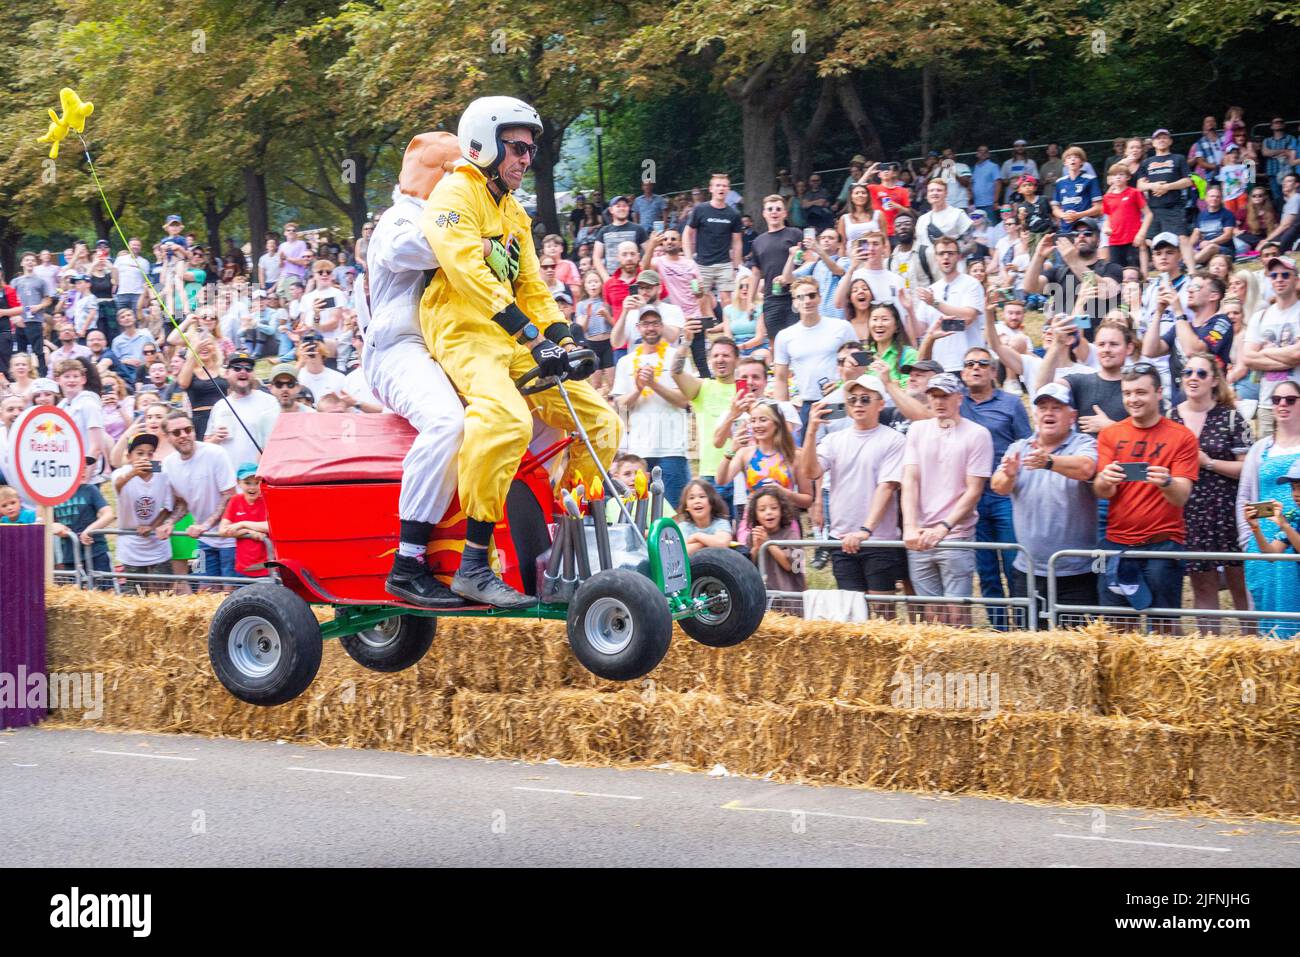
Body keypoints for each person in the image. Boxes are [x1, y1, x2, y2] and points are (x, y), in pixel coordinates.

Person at [420, 96, 619, 607]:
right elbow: (469, 272)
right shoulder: (453, 196)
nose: (526, 159)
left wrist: (566, 339)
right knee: (505, 421)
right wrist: (532, 336)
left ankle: (563, 542)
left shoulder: (513, 212)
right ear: (483, 143)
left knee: (602, 422)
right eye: (517, 148)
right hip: (462, 330)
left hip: (512, 336)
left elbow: (531, 284)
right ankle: (472, 565)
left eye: (531, 151)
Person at [1092, 363, 1199, 632]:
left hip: (1162, 544)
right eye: (1127, 393)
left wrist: (1166, 481)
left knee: (1163, 627)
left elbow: (1181, 496)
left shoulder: (1182, 436)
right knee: (1115, 627)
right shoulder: (1110, 434)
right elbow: (1101, 490)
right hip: (1116, 542)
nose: (1133, 399)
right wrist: (1106, 479)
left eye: (1141, 392)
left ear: (1159, 393)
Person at [991, 383, 1099, 627]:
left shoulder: (1084, 443)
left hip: (1077, 571)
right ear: (1035, 414)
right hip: (1027, 570)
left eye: (1056, 408)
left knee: (1076, 650)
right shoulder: (1019, 447)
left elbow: (1086, 468)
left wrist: (1048, 461)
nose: (1048, 413)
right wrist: (1008, 475)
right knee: (1028, 649)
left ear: (1072, 416)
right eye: (1043, 408)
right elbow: (997, 485)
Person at [801, 374, 908, 616]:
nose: (858, 404)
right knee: (851, 615)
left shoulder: (894, 440)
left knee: (882, 613)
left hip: (878, 540)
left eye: (865, 399)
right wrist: (811, 431)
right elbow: (811, 470)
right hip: (841, 539)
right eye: (852, 399)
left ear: (880, 404)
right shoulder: (833, 439)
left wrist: (865, 530)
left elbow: (887, 486)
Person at [1167, 353, 1253, 631]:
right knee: (1203, 587)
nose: (1193, 377)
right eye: (1188, 372)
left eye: (1201, 373)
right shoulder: (1171, 417)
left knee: (1241, 585)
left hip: (1227, 511)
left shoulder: (1231, 418)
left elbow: (1248, 469)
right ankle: (1210, 652)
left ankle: (1253, 647)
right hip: (1189, 512)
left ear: (1214, 380)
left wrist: (1209, 463)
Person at [900, 373, 993, 625]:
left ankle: (960, 665)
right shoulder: (917, 430)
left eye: (944, 396)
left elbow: (974, 489)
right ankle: (931, 665)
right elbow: (910, 479)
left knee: (957, 613)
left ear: (959, 398)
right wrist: (909, 526)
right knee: (929, 614)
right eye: (933, 396)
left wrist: (945, 526)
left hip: (956, 533)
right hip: (920, 533)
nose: (939, 402)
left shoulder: (977, 434)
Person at [959, 345, 1031, 629]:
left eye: (982, 363)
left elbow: (1026, 444)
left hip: (1005, 496)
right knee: (986, 571)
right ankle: (1000, 631)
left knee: (1014, 565)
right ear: (963, 372)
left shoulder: (1011, 403)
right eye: (969, 363)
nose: (975, 368)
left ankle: (1024, 629)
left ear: (992, 371)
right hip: (971, 497)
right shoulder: (956, 403)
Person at [1237, 379, 1300, 636]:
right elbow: (1244, 497)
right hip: (1264, 542)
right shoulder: (1259, 449)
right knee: (1266, 613)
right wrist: (1247, 538)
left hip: (1295, 541)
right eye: (1276, 400)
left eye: (1290, 400)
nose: (1282, 405)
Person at [612, 307, 691, 506]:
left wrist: (654, 384)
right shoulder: (626, 362)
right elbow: (620, 406)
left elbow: (685, 400)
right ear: (638, 328)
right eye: (646, 324)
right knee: (639, 509)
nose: (651, 328)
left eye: (655, 323)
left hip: (672, 448)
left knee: (675, 508)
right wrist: (639, 389)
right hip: (640, 450)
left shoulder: (676, 357)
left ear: (662, 327)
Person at [771, 278, 856, 436]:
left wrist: (842, 383)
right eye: (801, 297)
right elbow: (781, 379)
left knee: (841, 451)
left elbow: (860, 364)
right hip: (808, 404)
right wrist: (783, 416)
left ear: (819, 298)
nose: (807, 301)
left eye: (811, 295)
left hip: (839, 399)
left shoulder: (842, 327)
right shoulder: (784, 336)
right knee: (810, 455)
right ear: (794, 303)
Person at [162, 410, 237, 585]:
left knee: (231, 592)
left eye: (188, 429)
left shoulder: (215, 453)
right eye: (176, 432)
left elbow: (229, 495)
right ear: (167, 437)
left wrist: (206, 525)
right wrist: (170, 522)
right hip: (203, 540)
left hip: (229, 537)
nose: (184, 435)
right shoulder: (168, 464)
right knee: (205, 591)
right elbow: (182, 503)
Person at [1141, 273, 1232, 403]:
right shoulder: (1183, 326)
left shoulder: (1222, 322)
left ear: (1214, 296)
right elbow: (1149, 351)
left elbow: (1194, 351)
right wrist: (1158, 312)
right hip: (1178, 408)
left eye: (1196, 287)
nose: (1189, 290)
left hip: (1209, 408)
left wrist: (1178, 311)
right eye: (1189, 286)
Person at [1242, 254, 1300, 439]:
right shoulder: (1260, 316)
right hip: (1268, 403)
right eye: (1274, 276)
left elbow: (1297, 354)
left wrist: (1266, 352)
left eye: (1285, 275)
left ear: (1296, 279)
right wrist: (1288, 358)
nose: (1279, 279)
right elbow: (1249, 358)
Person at [111, 432, 176, 591]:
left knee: (164, 593)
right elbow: (118, 485)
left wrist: (152, 526)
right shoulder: (121, 473)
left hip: (157, 546)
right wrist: (134, 472)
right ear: (129, 455)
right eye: (139, 453)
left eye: (149, 453)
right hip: (131, 547)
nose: (145, 457)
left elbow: (168, 507)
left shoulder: (162, 473)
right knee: (135, 595)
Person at [912, 237, 985, 373]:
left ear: (958, 257)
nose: (946, 257)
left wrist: (935, 303)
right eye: (941, 253)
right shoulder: (931, 291)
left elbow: (968, 318)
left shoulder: (971, 284)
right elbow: (919, 331)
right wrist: (909, 309)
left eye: (950, 253)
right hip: (938, 366)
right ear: (936, 258)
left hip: (968, 365)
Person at [204, 351, 281, 468]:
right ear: (226, 373)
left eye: (248, 368)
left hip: (260, 476)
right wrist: (215, 438)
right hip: (230, 478)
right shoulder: (219, 406)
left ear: (253, 374)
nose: (243, 371)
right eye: (237, 368)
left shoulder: (270, 401)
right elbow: (206, 445)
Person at [49, 457, 115, 586]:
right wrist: (54, 526)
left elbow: (109, 514)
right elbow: (43, 520)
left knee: (105, 593)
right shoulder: (54, 493)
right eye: (78, 468)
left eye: (84, 468)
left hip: (95, 551)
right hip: (70, 555)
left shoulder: (90, 490)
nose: (83, 471)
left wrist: (90, 530)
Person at [1137, 129, 1196, 272]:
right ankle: (1150, 275)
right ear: (1153, 142)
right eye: (1158, 138)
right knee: (1147, 241)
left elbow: (1189, 181)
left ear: (1170, 141)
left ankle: (1192, 272)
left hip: (1173, 206)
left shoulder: (1178, 158)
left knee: (1182, 238)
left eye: (1164, 137)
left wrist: (1168, 187)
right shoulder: (1146, 162)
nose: (1161, 140)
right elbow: (1140, 185)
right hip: (1153, 208)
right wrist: (1154, 186)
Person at [750, 195, 804, 345]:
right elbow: (755, 273)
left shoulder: (795, 234)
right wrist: (750, 301)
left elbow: (808, 261)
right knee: (776, 342)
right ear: (764, 213)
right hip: (771, 298)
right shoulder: (758, 241)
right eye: (770, 209)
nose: (774, 212)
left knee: (797, 339)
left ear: (785, 213)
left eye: (778, 209)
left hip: (795, 295)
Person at [742, 486, 805, 595]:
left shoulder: (792, 535)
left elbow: (790, 566)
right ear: (755, 515)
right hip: (765, 597)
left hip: (789, 596)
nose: (769, 512)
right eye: (762, 509)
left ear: (782, 510)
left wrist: (767, 542)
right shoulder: (752, 537)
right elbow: (747, 567)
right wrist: (756, 548)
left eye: (774, 508)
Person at [218, 463, 271, 579]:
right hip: (242, 568)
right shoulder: (235, 501)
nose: (252, 487)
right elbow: (222, 530)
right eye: (247, 483)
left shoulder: (268, 500)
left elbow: (271, 526)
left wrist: (242, 524)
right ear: (238, 482)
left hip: (266, 569)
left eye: (256, 483)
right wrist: (249, 532)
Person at [1100, 164, 1151, 270]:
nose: (1118, 177)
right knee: (1117, 273)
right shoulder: (1107, 197)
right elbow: (1107, 217)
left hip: (1132, 239)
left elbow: (1149, 214)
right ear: (1110, 178)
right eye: (1114, 175)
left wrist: (1141, 234)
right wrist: (1106, 228)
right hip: (1114, 240)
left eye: (1121, 174)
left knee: (1133, 272)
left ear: (1128, 177)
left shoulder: (1134, 193)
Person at [593, 195, 648, 281]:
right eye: (618, 206)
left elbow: (648, 251)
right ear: (611, 210)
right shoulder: (604, 231)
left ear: (628, 208)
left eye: (624, 206)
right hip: (612, 279)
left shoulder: (638, 229)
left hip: (635, 279)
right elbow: (596, 257)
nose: (622, 208)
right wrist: (605, 278)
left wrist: (642, 267)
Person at [1051, 146, 1103, 233]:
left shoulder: (1090, 179)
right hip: (1066, 228)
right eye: (1069, 157)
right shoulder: (1059, 182)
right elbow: (1055, 209)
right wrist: (1064, 215)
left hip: (1085, 228)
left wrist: (1078, 215)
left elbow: (1098, 208)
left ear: (1082, 162)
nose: (1073, 159)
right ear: (1065, 162)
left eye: (1076, 157)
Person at [677, 479, 734, 556]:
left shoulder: (721, 522)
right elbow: (681, 553)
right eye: (691, 498)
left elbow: (722, 543)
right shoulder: (683, 527)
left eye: (702, 496)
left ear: (712, 502)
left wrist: (697, 536)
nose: (697, 501)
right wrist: (708, 543)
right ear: (686, 507)